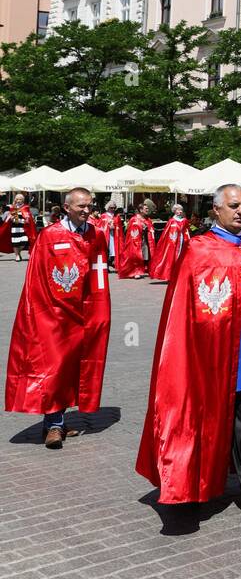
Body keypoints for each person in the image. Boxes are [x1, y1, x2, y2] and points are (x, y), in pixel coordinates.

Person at [136, 184, 241, 517]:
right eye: (234, 205)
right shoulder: (198, 251)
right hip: (209, 361)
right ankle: (192, 487)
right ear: (215, 210)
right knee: (204, 426)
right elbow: (181, 314)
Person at [5, 188, 111, 448]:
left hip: (83, 312)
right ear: (67, 208)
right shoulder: (50, 235)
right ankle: (54, 425)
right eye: (81, 206)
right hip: (53, 313)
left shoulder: (95, 234)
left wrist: (99, 308)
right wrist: (39, 312)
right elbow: (37, 276)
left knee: (70, 367)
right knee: (53, 366)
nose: (87, 210)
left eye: (90, 205)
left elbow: (99, 272)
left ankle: (55, 420)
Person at [149, 203, 190, 282]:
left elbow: (186, 231)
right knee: (171, 259)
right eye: (178, 210)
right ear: (174, 211)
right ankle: (170, 275)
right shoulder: (171, 221)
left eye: (181, 210)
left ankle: (179, 275)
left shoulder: (184, 220)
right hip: (172, 244)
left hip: (181, 242)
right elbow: (166, 233)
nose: (180, 211)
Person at [115, 202, 155, 279]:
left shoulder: (147, 219)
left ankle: (144, 269)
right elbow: (132, 231)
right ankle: (135, 271)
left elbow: (150, 228)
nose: (147, 210)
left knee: (145, 255)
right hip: (136, 241)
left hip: (145, 240)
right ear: (141, 210)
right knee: (136, 256)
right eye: (146, 208)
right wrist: (141, 227)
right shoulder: (134, 219)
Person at [0, 192, 38, 261]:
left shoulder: (25, 207)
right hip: (14, 227)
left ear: (23, 200)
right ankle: (17, 255)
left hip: (23, 227)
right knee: (15, 242)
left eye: (20, 199)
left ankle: (18, 252)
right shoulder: (13, 207)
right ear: (15, 200)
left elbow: (28, 216)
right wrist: (11, 218)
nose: (18, 200)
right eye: (17, 199)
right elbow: (8, 217)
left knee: (24, 240)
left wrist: (26, 220)